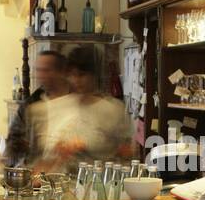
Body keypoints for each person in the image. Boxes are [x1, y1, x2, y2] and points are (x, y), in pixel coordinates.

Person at [31, 45, 132, 174]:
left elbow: (127, 153)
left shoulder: (112, 110)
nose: (76, 80)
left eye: (82, 75)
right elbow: (48, 154)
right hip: (63, 184)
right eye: (72, 75)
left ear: (94, 76)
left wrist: (88, 147)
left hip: (100, 185)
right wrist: (59, 151)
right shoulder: (59, 107)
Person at [3, 49, 69, 167]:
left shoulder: (74, 101)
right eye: (38, 70)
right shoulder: (31, 105)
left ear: (61, 72)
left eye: (46, 70)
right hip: (36, 173)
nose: (41, 75)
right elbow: (13, 138)